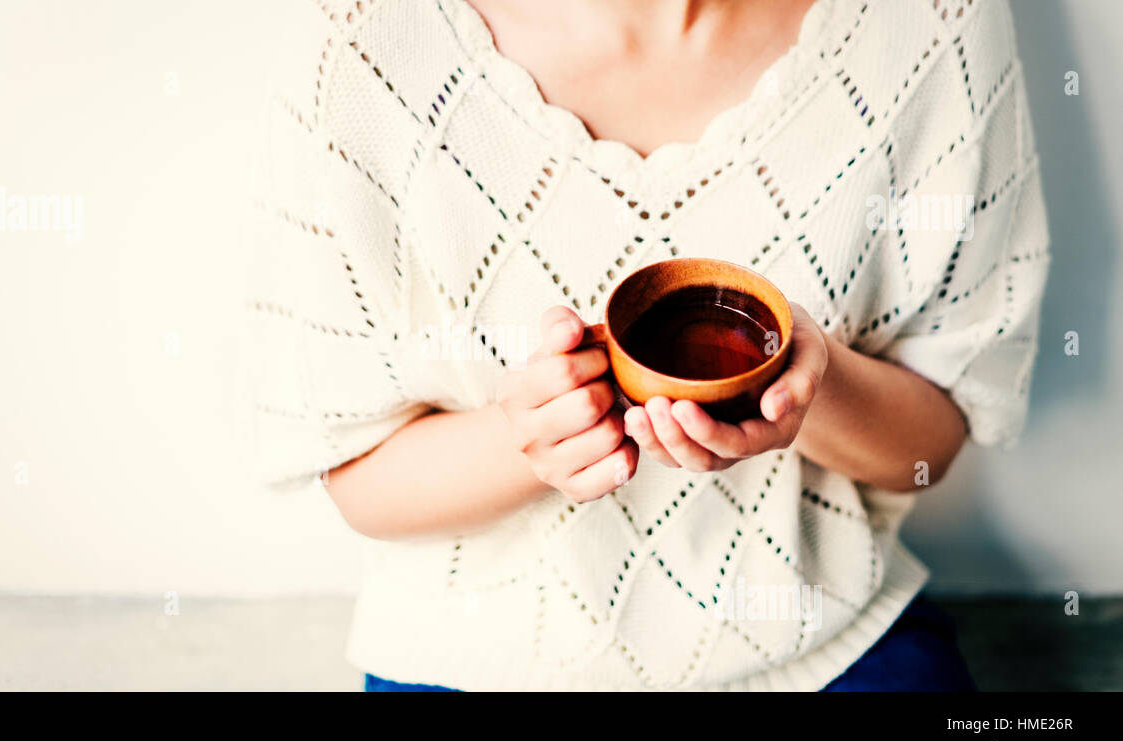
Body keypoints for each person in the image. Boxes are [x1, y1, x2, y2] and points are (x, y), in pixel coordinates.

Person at [253, 0, 1050, 691]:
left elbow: (931, 447)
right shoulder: (367, 49)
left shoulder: (932, 29)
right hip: (473, 659)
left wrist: (815, 386)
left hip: (830, 644)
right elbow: (357, 479)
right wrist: (522, 441)